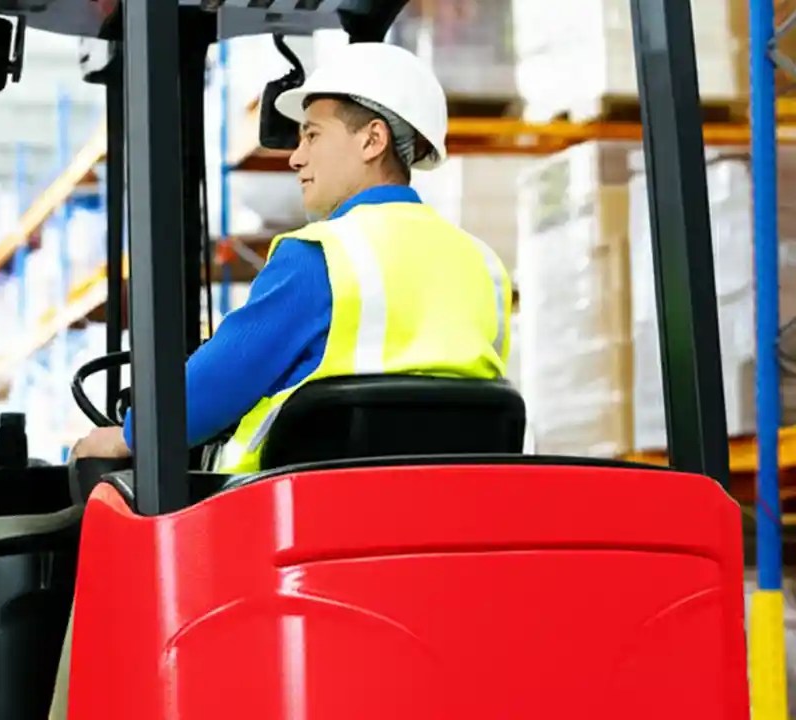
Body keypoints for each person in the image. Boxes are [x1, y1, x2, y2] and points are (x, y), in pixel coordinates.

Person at [70, 41, 511, 475]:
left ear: (372, 140)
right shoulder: (484, 267)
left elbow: (209, 390)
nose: (296, 158)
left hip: (298, 527)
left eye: (312, 135)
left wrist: (126, 436)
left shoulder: (322, 258)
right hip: (444, 524)